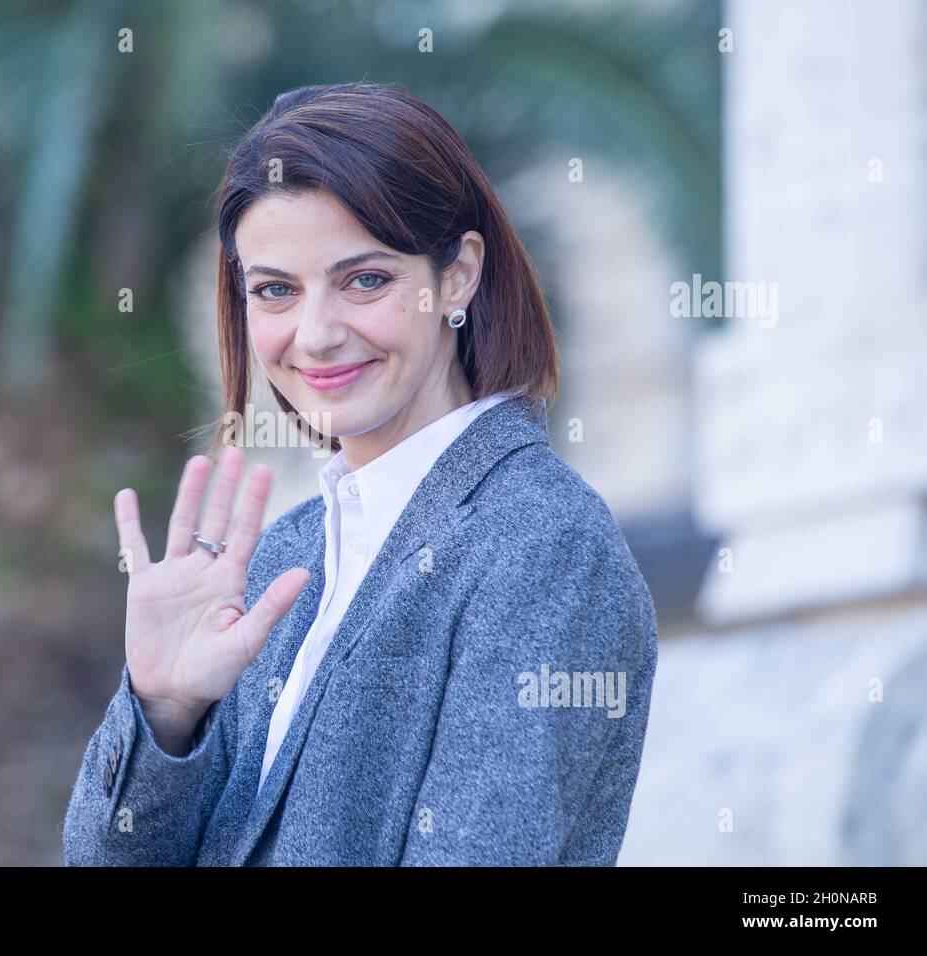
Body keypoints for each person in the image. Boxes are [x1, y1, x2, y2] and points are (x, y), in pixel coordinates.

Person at [63, 81, 658, 866]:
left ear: (457, 276)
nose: (315, 335)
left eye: (364, 280)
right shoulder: (274, 562)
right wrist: (165, 713)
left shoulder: (541, 544)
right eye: (275, 291)